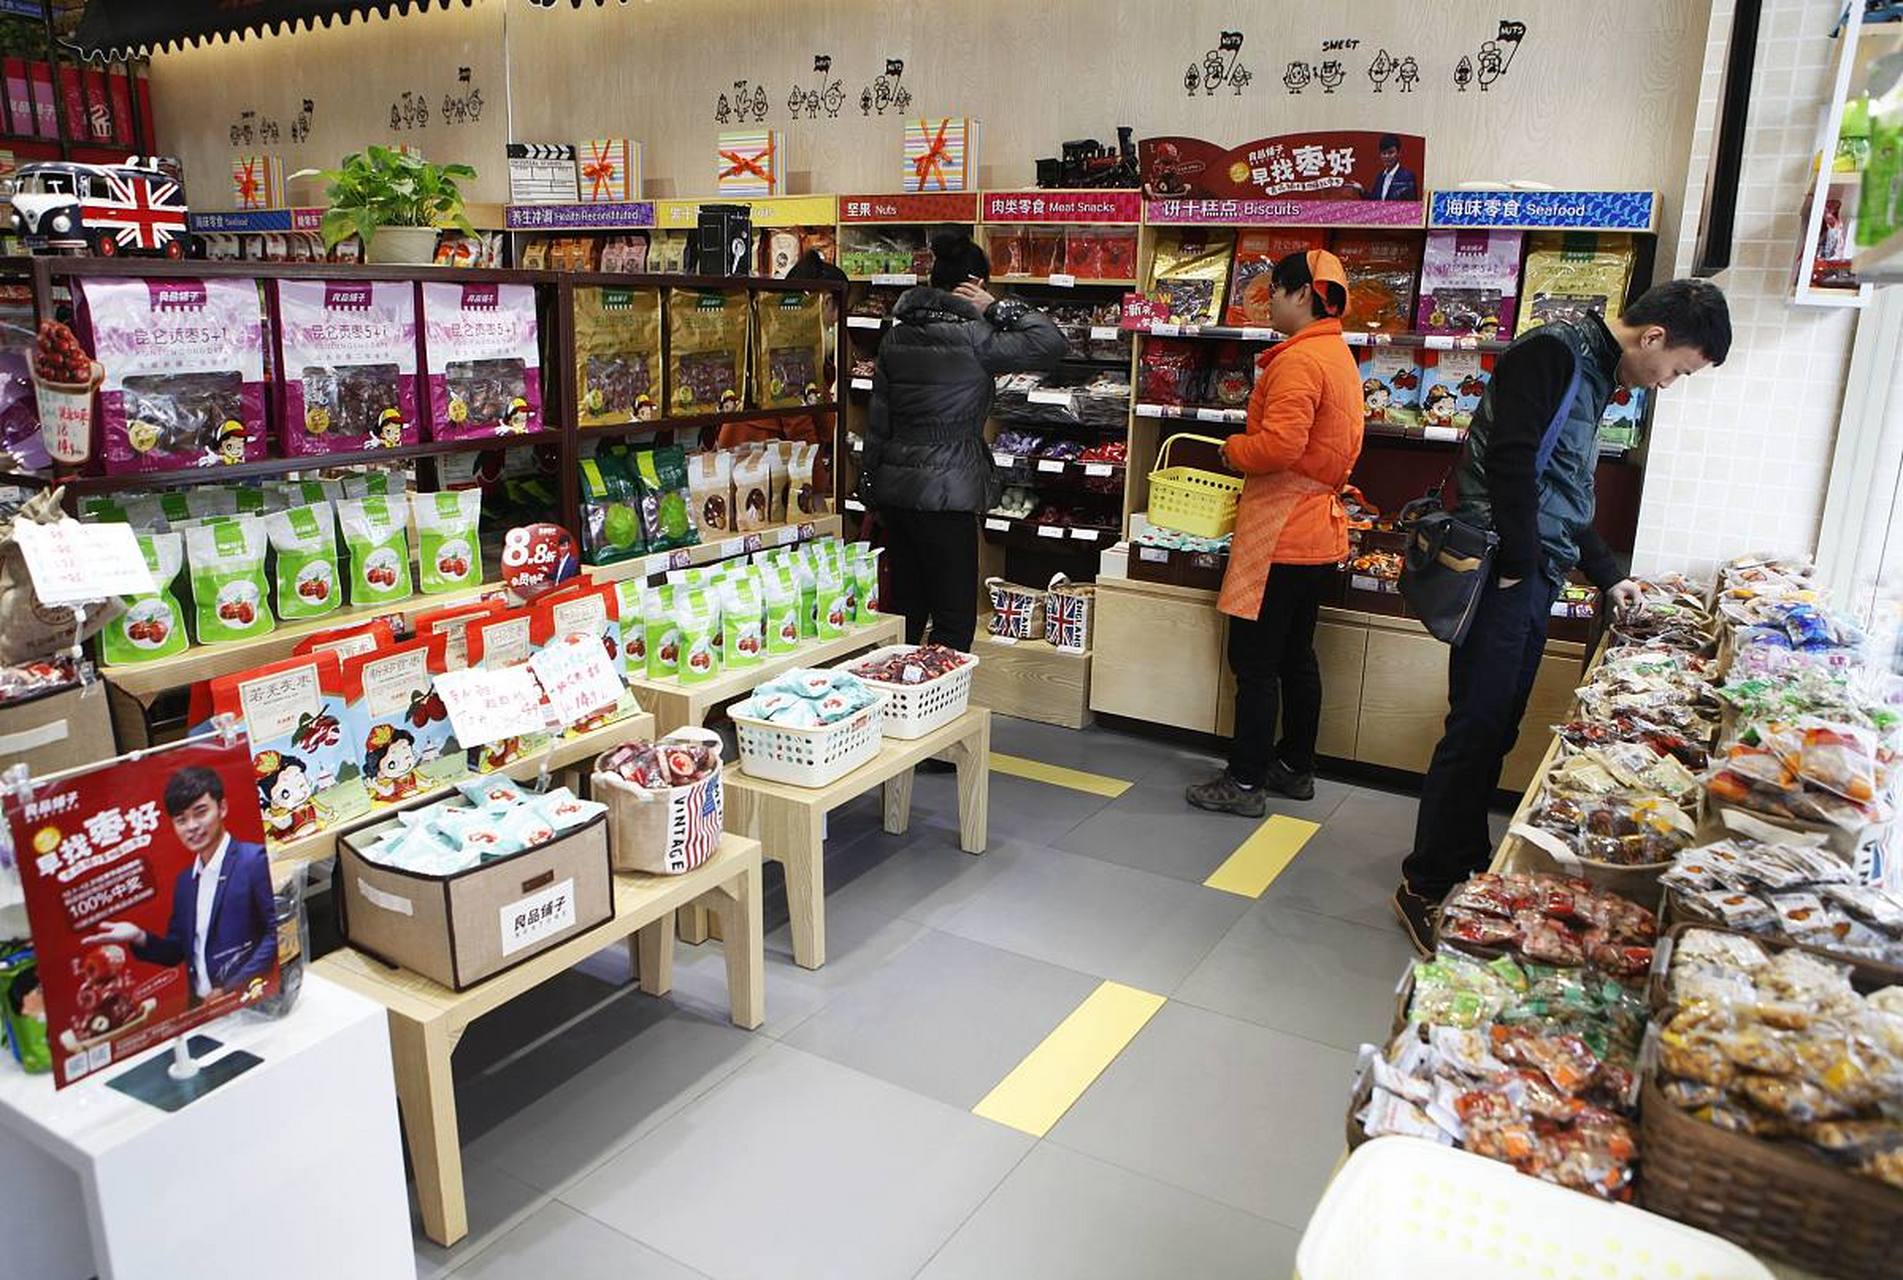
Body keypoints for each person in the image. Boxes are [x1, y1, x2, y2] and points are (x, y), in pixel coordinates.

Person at [1391, 279, 1732, 952]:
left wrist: (1608, 574)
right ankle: (1425, 885)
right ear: (1654, 337)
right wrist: (1518, 565)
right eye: (1677, 370)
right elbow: (1513, 462)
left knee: (1497, 727)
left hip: (1528, 571)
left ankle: (1466, 866)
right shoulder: (1552, 353)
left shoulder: (1594, 370)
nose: (1668, 384)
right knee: (1475, 727)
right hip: (1504, 568)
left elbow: (1563, 489)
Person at [1187, 251, 1365, 818]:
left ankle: (1244, 782)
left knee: (1256, 662)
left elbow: (1280, 447)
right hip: (1318, 534)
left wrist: (1234, 449)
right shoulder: (1337, 354)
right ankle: (1294, 766)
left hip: (1280, 532)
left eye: (1274, 293)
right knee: (1296, 657)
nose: (1269, 305)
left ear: (1302, 294)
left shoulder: (1299, 360)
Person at [862, 230, 1065, 650]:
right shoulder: (976, 338)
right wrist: (997, 307)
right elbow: (1051, 343)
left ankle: (898, 686)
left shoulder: (896, 337)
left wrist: (871, 486)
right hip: (949, 494)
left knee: (906, 611)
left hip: (897, 492)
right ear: (976, 285)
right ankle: (940, 689)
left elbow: (878, 421)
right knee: (953, 620)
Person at [83, 766, 278, 1001]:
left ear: (222, 808)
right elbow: (177, 951)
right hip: (201, 1009)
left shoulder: (253, 860)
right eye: (181, 820)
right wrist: (138, 936)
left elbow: (276, 932)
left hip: (252, 999)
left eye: (200, 812)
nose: (192, 826)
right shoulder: (185, 882)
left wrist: (230, 989)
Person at [1357, 134, 1418, 201]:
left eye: (1391, 153)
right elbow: (1375, 201)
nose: (1387, 156)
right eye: (1384, 153)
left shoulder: (1407, 177)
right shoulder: (1380, 176)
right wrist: (1362, 191)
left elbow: (1411, 204)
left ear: (1398, 153)